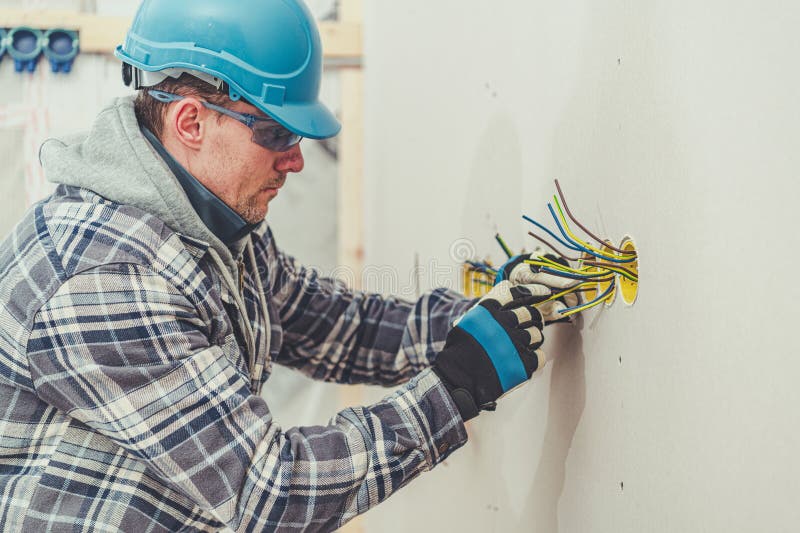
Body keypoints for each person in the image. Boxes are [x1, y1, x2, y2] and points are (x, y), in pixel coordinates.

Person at [0, 1, 571, 531]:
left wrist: (483, 317)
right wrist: (454, 387)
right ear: (191, 122)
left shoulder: (213, 225)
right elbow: (266, 489)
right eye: (274, 133)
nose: (296, 160)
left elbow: (334, 325)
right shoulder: (105, 280)